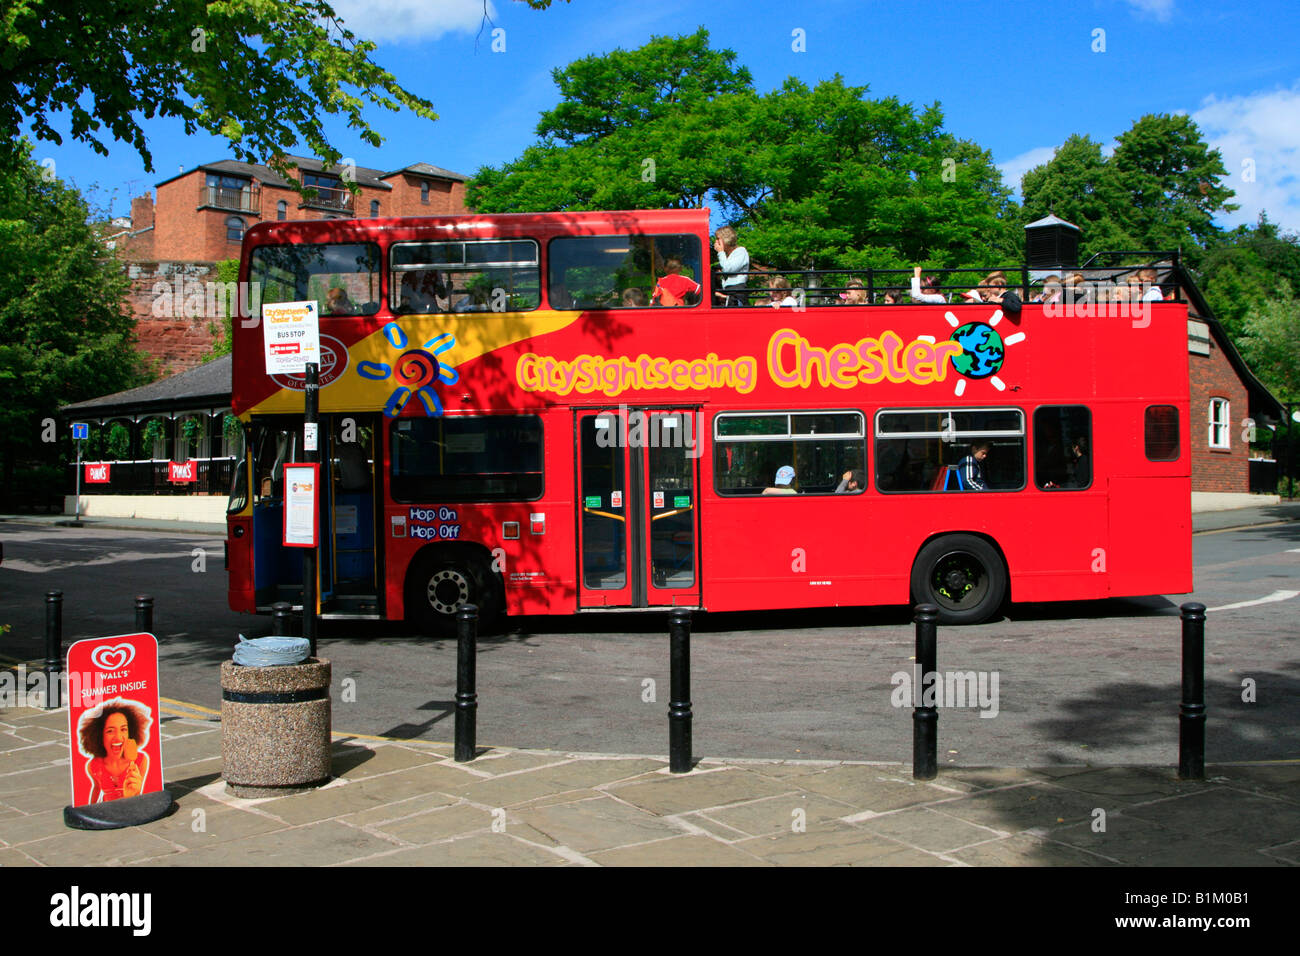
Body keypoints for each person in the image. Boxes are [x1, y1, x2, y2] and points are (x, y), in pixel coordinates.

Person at [78, 697, 152, 803]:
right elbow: (97, 788)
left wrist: (133, 792)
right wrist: (90, 809)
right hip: (106, 811)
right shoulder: (93, 765)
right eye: (110, 731)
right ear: (99, 735)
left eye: (123, 729)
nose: (118, 737)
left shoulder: (140, 760)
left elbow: (141, 794)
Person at [713, 227, 749, 307]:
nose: (716, 242)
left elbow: (728, 269)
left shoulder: (741, 251)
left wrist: (720, 252)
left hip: (737, 291)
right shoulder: (727, 255)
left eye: (718, 239)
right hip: (728, 290)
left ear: (725, 239)